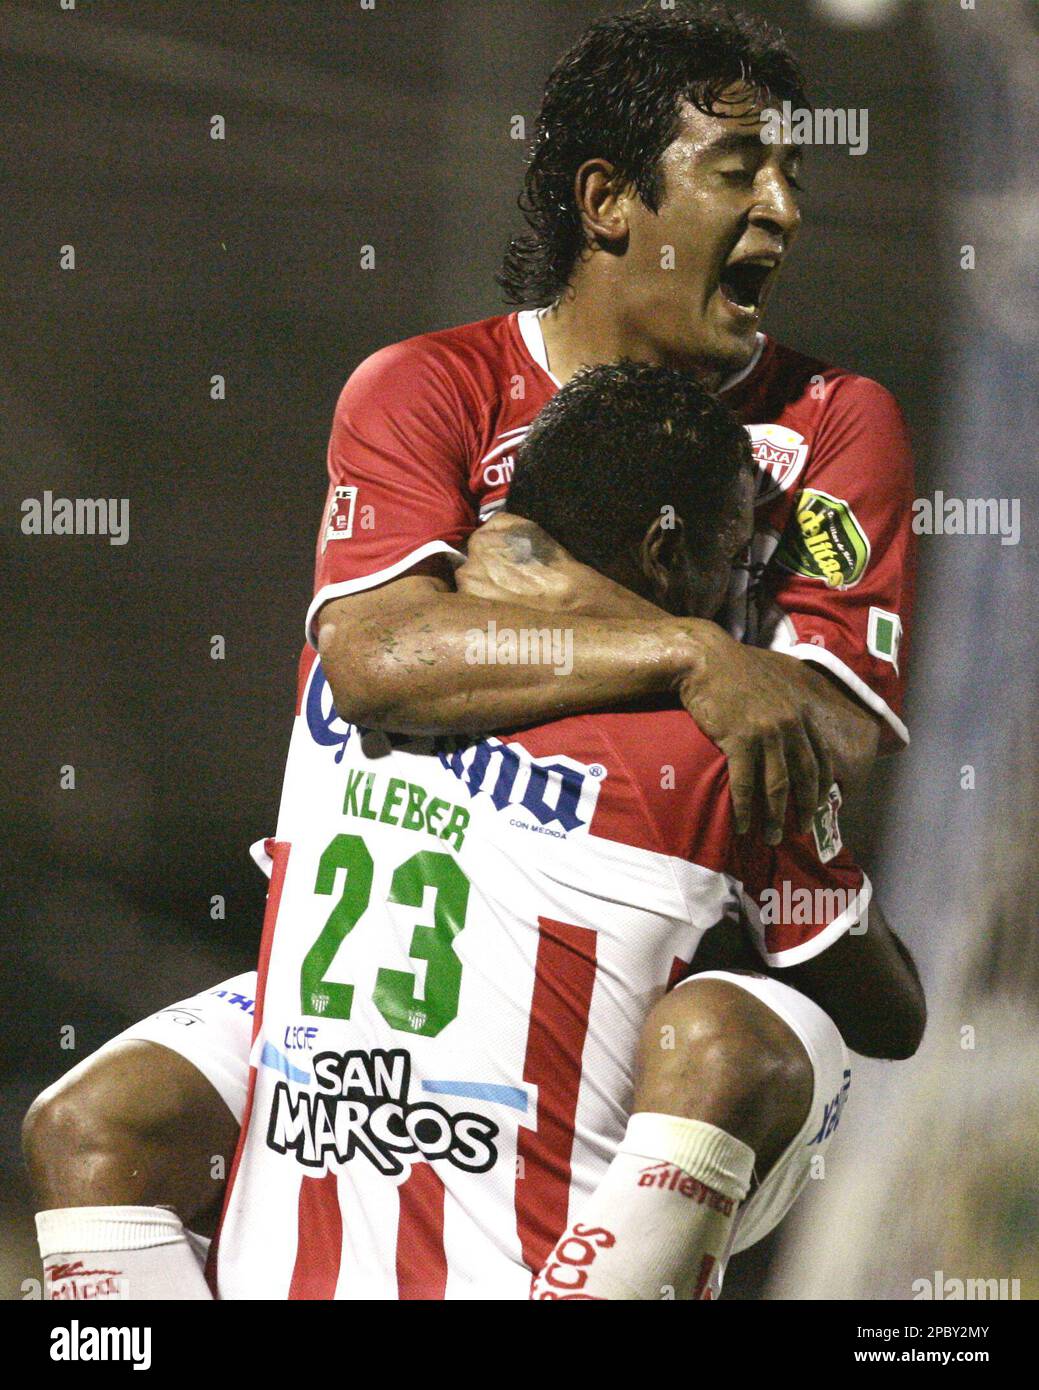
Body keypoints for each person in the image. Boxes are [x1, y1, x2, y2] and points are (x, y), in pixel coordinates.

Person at [24, 3, 917, 1297]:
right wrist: (685, 650)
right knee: (95, 1123)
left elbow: (819, 732)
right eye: (738, 172)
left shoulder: (832, 424)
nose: (780, 208)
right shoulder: (424, 385)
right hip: (434, 923)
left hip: (694, 965)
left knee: (721, 1039)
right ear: (607, 200)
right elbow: (378, 658)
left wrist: (516, 602)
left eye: (789, 174)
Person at [224, 365, 924, 1299]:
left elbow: (394, 646)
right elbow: (890, 1017)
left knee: (92, 1121)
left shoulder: (338, 676)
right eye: (729, 557)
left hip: (277, 1273)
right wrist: (730, 698)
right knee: (743, 1034)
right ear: (665, 551)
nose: (736, 593)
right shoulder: (715, 753)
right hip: (527, 1262)